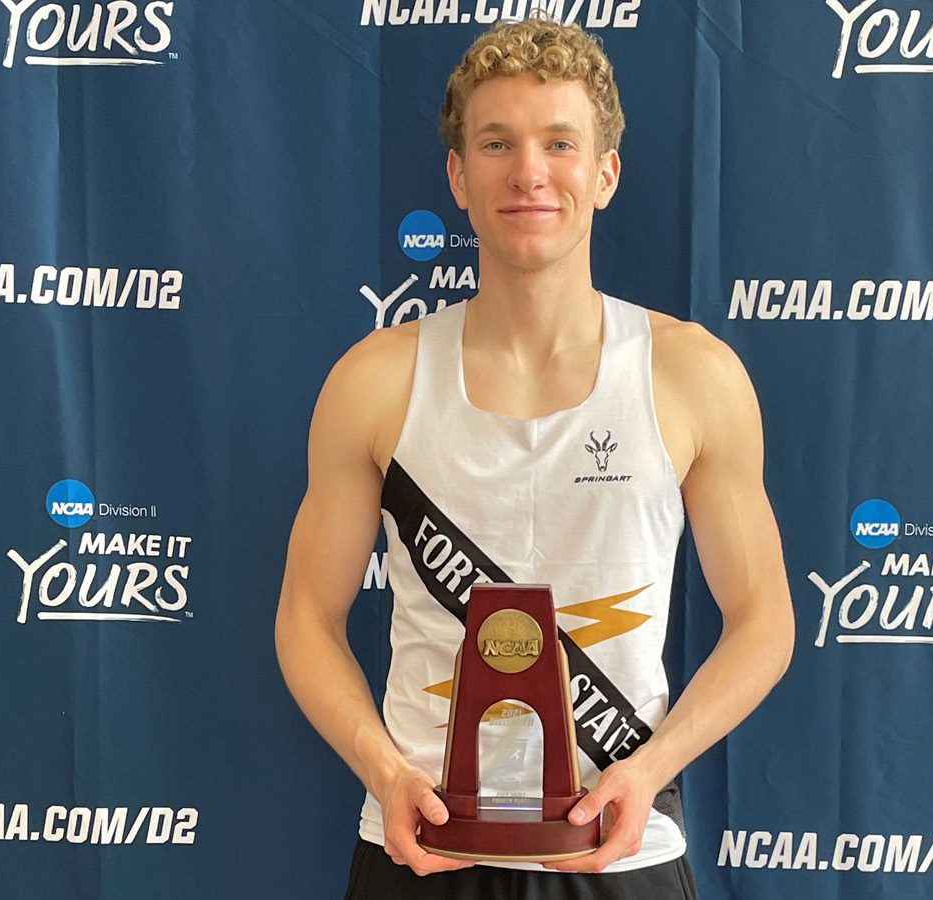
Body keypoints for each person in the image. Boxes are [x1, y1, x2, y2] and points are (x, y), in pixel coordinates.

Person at [274, 16, 795, 899]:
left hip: (619, 852)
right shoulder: (376, 380)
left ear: (604, 174)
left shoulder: (692, 375)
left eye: (560, 143)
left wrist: (650, 768)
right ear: (457, 174)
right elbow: (305, 619)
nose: (529, 172)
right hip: (426, 852)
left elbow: (765, 622)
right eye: (496, 143)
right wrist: (385, 773)